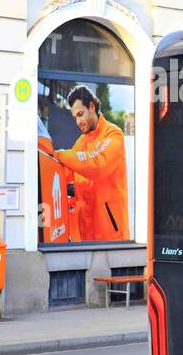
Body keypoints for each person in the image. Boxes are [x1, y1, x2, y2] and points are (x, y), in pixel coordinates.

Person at [55, 85, 130, 242]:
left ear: (91, 106)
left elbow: (97, 164)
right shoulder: (81, 142)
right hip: (85, 236)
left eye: (80, 114)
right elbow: (66, 173)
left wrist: (60, 154)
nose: (78, 121)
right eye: (75, 117)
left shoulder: (114, 134)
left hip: (110, 236)